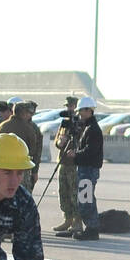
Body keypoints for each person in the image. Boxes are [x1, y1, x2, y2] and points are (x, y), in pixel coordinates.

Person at [68, 96, 104, 240]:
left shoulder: (93, 129)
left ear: (89, 111)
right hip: (85, 169)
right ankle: (91, 227)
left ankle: (92, 229)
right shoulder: (89, 127)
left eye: (81, 111)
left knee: (86, 200)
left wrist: (75, 155)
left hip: (88, 169)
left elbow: (90, 151)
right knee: (85, 199)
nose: (79, 114)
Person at [0, 100, 43, 193]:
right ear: (23, 113)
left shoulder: (3, 125)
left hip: (3, 166)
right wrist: (34, 171)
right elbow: (34, 150)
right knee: (22, 194)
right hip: (21, 168)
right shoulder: (29, 128)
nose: (29, 115)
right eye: (28, 113)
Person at [52, 94, 81, 235]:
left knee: (74, 192)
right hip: (63, 161)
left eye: (71, 106)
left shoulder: (80, 123)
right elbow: (57, 141)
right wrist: (60, 142)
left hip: (74, 163)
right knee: (63, 191)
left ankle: (77, 220)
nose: (69, 109)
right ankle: (67, 218)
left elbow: (81, 142)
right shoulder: (64, 123)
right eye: (67, 106)